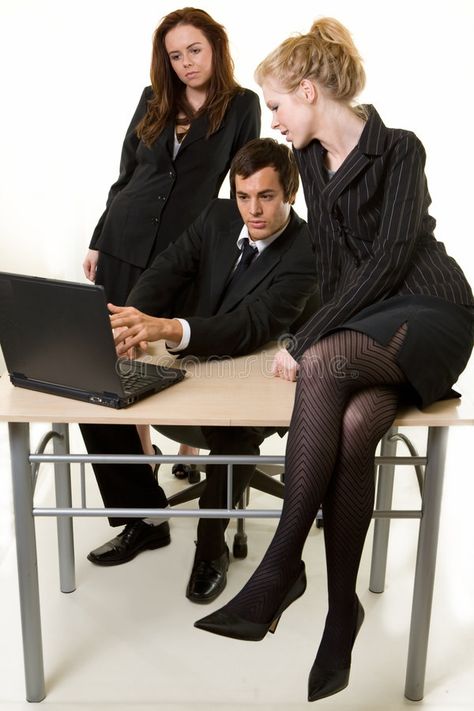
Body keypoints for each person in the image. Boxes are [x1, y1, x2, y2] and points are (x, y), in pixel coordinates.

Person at [194, 17, 474, 702]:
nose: (276, 118)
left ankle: (282, 564)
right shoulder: (314, 167)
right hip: (372, 327)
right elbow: (339, 268)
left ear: (310, 91)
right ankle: (341, 609)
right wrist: (311, 329)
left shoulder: (400, 149)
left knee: (322, 362)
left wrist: (305, 338)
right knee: (351, 429)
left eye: (279, 103)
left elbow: (386, 261)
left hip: (433, 312)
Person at [81, 138, 319, 605]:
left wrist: (167, 327)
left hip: (262, 376)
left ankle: (211, 551)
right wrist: (131, 321)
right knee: (100, 395)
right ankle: (145, 519)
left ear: (290, 192)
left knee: (234, 435)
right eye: (244, 196)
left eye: (266, 196)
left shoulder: (308, 249)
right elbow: (167, 269)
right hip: (196, 361)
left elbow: (249, 326)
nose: (253, 210)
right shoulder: (217, 216)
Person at [82, 7, 261, 480]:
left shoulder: (242, 105)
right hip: (125, 236)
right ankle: (142, 460)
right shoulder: (153, 99)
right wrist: (99, 239)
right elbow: (126, 174)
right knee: (126, 350)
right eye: (176, 55)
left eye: (194, 50)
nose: (186, 63)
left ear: (216, 48)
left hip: (186, 247)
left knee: (181, 343)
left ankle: (189, 449)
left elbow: (242, 182)